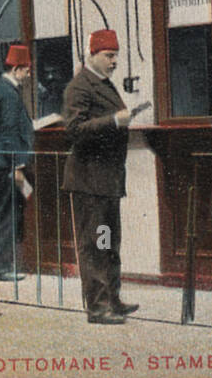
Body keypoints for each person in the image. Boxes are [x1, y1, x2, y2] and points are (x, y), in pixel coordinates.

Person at [62, 29, 148, 324]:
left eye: (115, 56)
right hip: (90, 181)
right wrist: (113, 120)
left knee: (109, 243)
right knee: (95, 244)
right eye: (109, 56)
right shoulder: (80, 86)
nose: (114, 62)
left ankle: (112, 298)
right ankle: (97, 307)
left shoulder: (103, 84)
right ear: (93, 55)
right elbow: (73, 131)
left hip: (107, 180)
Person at [0, 44, 34, 282]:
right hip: (6, 164)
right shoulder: (8, 93)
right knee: (6, 215)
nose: (28, 75)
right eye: (26, 71)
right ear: (16, 69)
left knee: (4, 214)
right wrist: (17, 166)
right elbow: (8, 133)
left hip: (1, 162)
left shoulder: (0, 89)